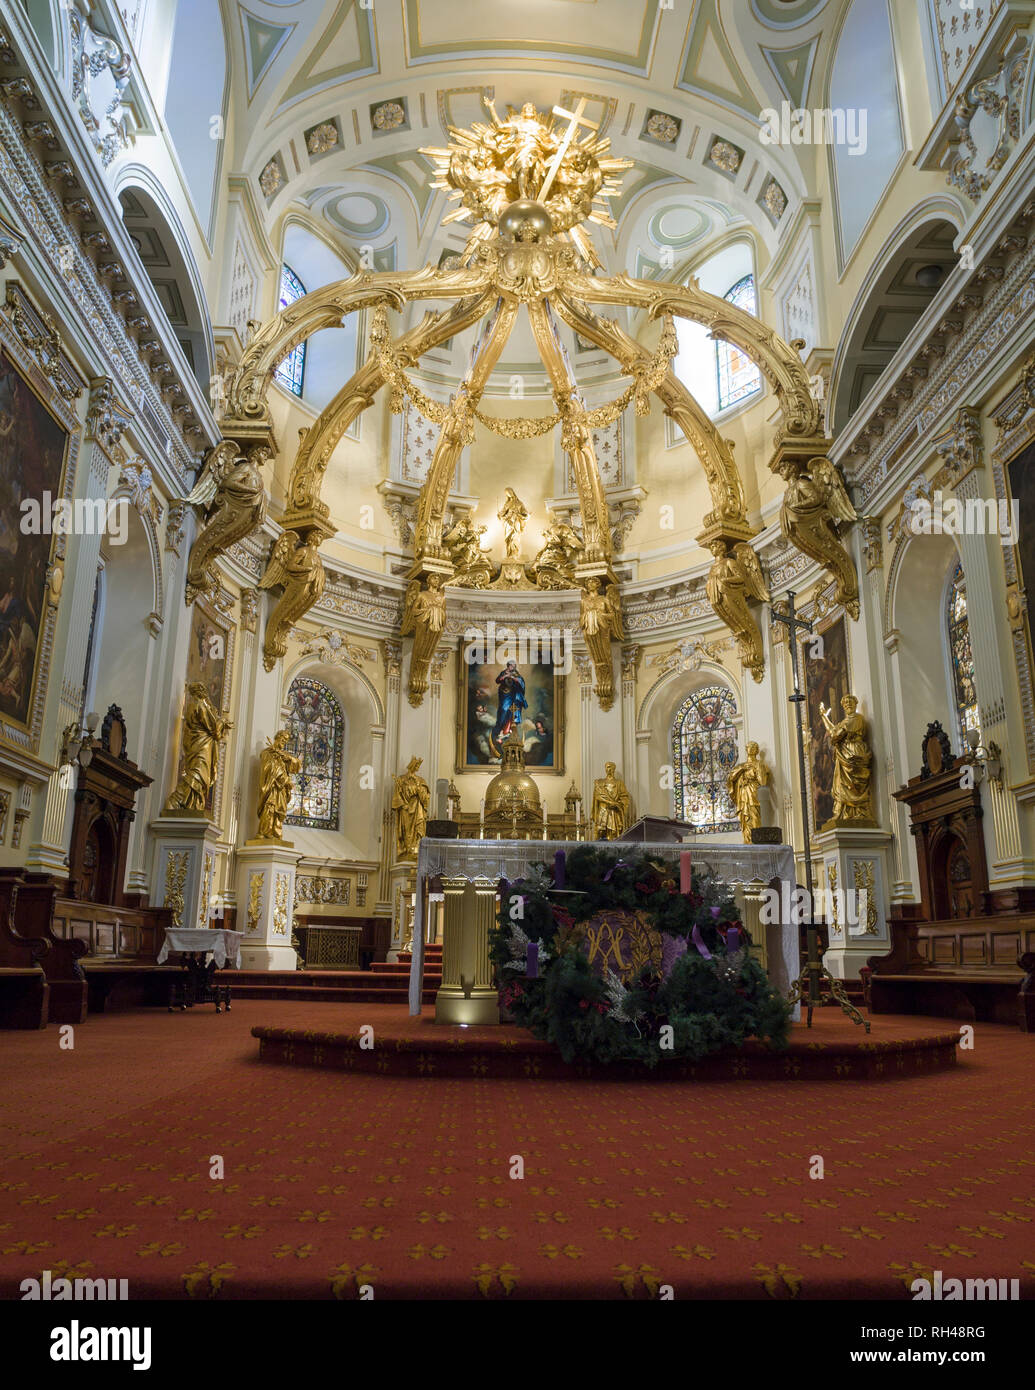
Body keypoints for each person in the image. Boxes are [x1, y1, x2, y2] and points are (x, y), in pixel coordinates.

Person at [165, 682, 233, 814]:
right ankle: (177, 799)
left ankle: (192, 804)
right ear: (197, 692)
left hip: (198, 744)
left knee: (198, 773)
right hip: (202, 746)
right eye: (201, 689)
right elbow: (214, 729)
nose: (204, 692)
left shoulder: (195, 705)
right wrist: (223, 722)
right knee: (198, 773)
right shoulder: (199, 705)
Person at [818, 693, 875, 825]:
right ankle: (844, 813)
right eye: (845, 703)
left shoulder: (856, 719)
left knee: (852, 785)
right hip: (845, 755)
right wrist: (823, 716)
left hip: (854, 753)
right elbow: (834, 731)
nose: (848, 705)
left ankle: (860, 812)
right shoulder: (845, 721)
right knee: (840, 785)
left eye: (850, 702)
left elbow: (836, 735)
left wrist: (834, 737)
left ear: (856, 704)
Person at [256, 730, 301, 840]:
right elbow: (269, 769)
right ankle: (265, 832)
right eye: (282, 739)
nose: (284, 742)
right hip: (272, 788)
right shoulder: (267, 753)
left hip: (281, 790)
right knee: (269, 808)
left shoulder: (284, 755)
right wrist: (285, 780)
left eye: (285, 741)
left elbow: (297, 765)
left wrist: (288, 758)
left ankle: (276, 833)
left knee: (279, 811)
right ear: (277, 738)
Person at [591, 762, 631, 840]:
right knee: (601, 833)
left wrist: (618, 805)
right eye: (606, 767)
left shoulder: (619, 783)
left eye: (610, 767)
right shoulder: (600, 783)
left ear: (613, 769)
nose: (608, 769)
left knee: (614, 836)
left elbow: (624, 797)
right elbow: (596, 798)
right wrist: (594, 814)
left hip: (615, 812)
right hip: (602, 812)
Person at [492, 660, 527, 747]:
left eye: (514, 666)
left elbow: (521, 682)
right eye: (511, 665)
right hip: (504, 695)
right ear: (508, 666)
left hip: (513, 695)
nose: (512, 667)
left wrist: (513, 678)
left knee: (511, 711)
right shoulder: (503, 672)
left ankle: (507, 730)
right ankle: (500, 729)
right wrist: (505, 676)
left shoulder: (516, 674)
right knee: (503, 709)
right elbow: (497, 680)